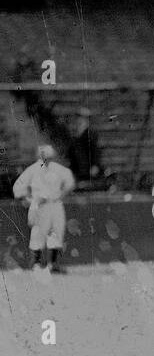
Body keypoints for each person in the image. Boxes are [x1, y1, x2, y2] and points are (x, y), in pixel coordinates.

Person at [13, 144, 74, 273]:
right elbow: (18, 187)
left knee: (56, 232)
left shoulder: (57, 169)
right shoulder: (33, 169)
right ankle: (36, 264)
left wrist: (62, 194)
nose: (47, 159)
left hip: (55, 204)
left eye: (49, 157)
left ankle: (53, 264)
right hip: (40, 205)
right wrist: (29, 199)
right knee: (38, 234)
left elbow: (70, 181)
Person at [67, 107, 103, 185]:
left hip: (88, 170)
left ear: (87, 120)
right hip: (78, 170)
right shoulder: (76, 135)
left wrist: (95, 165)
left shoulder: (90, 134)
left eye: (82, 118)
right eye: (78, 117)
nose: (79, 120)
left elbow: (95, 151)